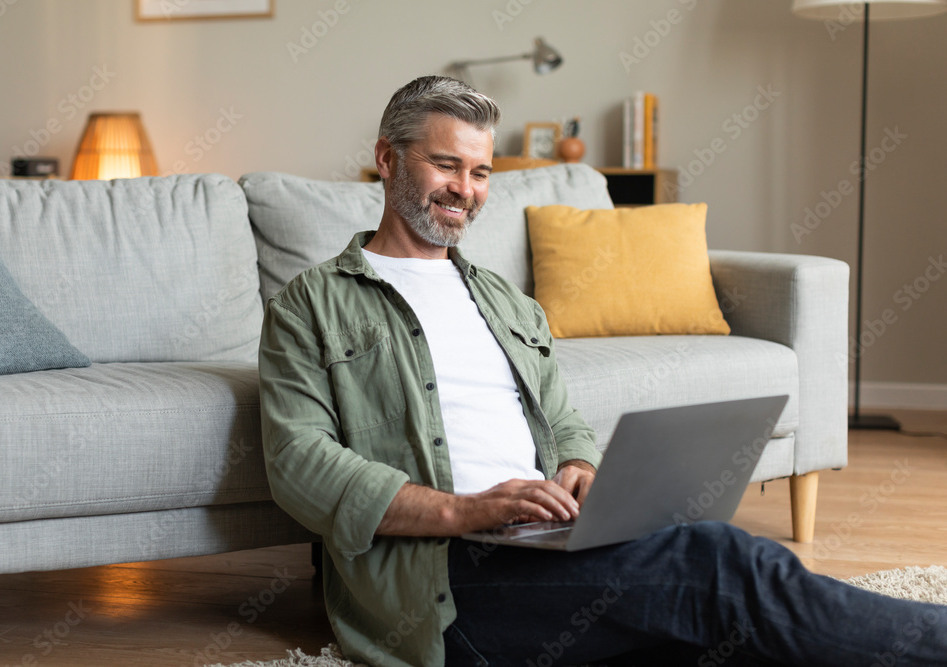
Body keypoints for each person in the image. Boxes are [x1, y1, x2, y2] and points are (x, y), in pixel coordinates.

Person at [259, 75, 947, 667]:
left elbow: (562, 420)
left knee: (735, 623)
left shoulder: (506, 302)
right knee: (719, 566)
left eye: (481, 172)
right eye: (446, 166)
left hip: (541, 540)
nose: (465, 190)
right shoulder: (309, 305)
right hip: (440, 580)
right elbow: (298, 462)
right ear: (387, 158)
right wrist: (464, 509)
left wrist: (579, 468)